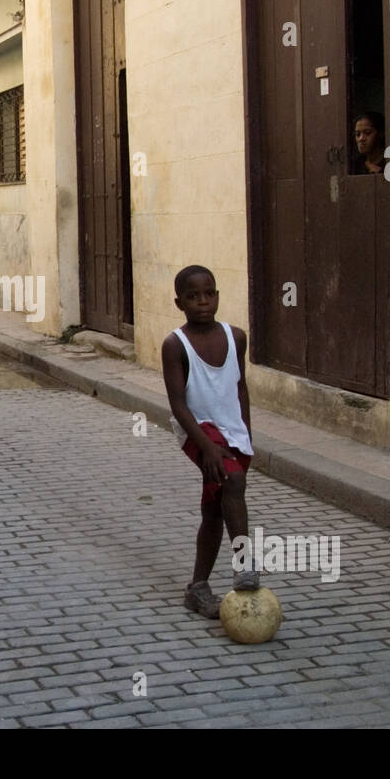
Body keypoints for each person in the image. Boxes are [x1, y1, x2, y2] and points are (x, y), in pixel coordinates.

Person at [160, 265, 256, 622]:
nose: (203, 301)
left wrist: (246, 433)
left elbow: (240, 385)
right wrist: (207, 446)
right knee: (233, 481)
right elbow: (178, 403)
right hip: (197, 431)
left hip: (232, 433)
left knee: (215, 509)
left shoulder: (236, 337)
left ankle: (197, 587)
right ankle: (244, 564)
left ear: (217, 295)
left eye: (209, 293)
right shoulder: (175, 344)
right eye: (193, 296)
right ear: (179, 302)